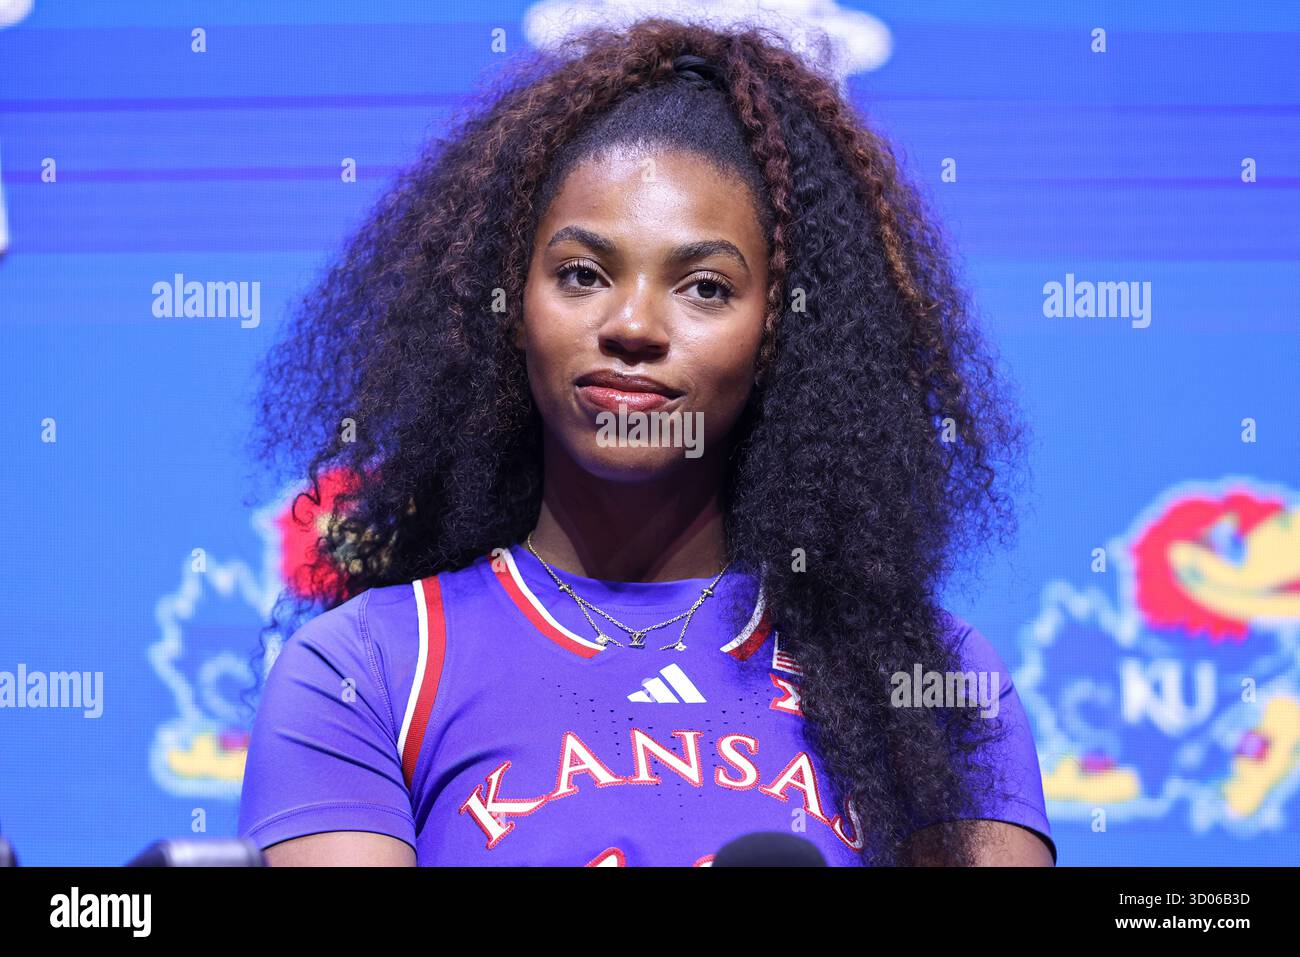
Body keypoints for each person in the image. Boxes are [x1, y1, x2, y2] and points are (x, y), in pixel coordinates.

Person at [237, 17, 1055, 867]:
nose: (631, 325)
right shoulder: (365, 670)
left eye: (704, 287)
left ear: (781, 336)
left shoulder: (933, 682)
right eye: (582, 274)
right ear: (510, 306)